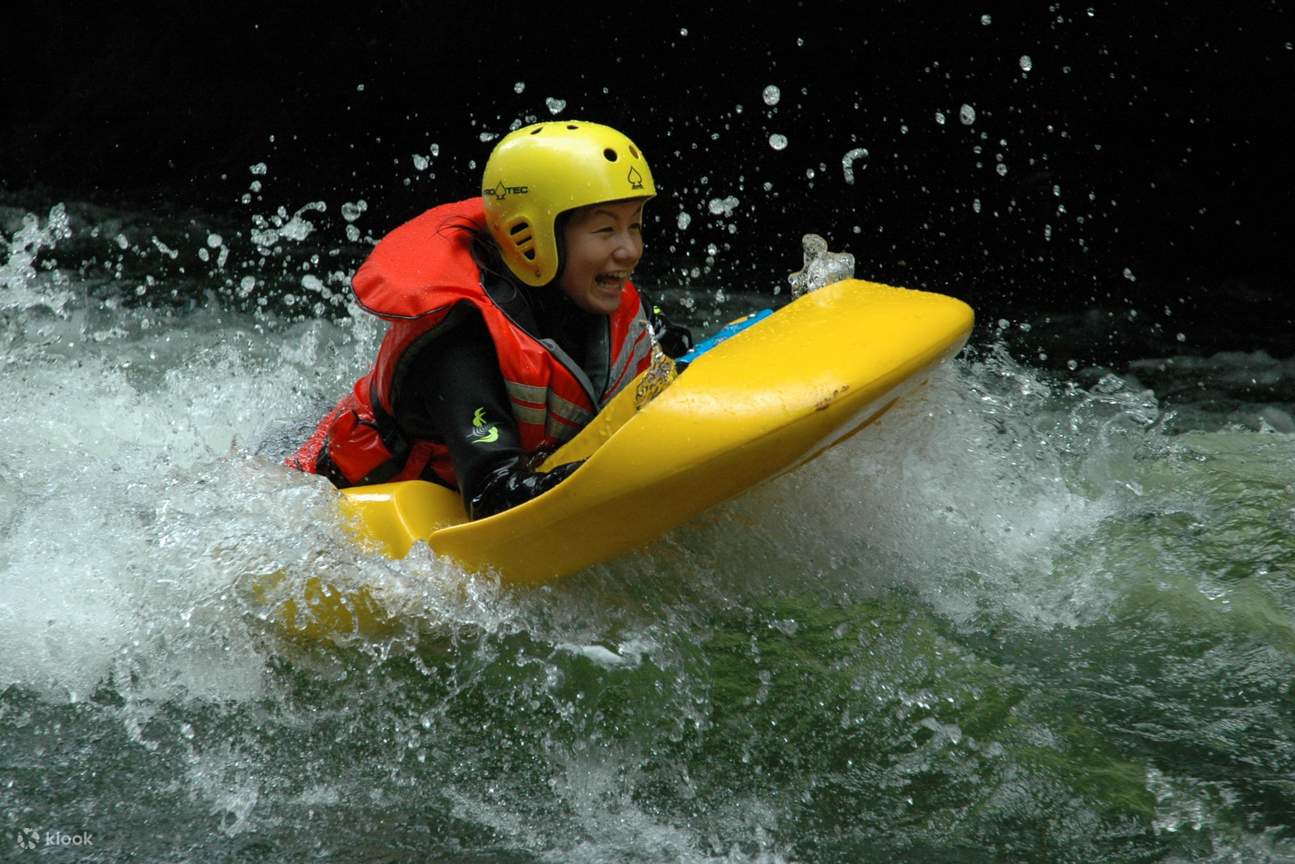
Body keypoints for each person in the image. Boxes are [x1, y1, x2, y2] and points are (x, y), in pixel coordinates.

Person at [286, 121, 691, 519]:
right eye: (606, 230)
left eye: (635, 225)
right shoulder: (462, 341)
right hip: (322, 491)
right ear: (529, 236)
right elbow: (493, 496)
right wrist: (631, 471)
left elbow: (660, 348)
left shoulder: (596, 291)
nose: (630, 250)